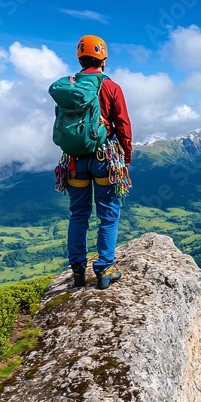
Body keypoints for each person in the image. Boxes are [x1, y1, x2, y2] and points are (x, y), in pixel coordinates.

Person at [63, 35, 132, 289]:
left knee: (78, 214)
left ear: (80, 58)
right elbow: (123, 125)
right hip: (105, 158)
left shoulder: (69, 87)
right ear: (103, 59)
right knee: (108, 214)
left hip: (74, 160)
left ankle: (77, 270)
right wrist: (126, 156)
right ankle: (104, 269)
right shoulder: (111, 87)